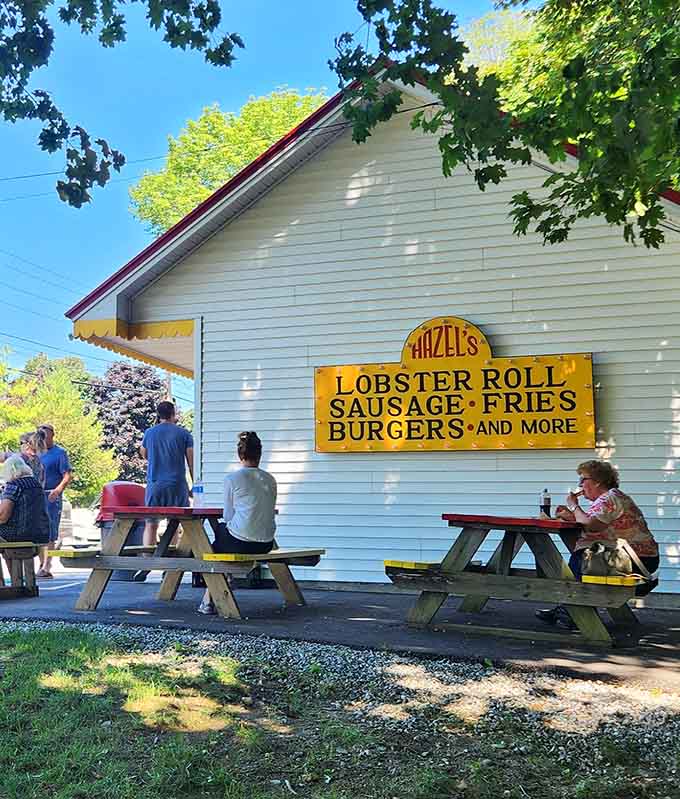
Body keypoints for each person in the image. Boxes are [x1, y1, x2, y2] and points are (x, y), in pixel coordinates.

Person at [537, 460, 659, 628]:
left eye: (583, 480)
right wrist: (572, 516)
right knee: (582, 558)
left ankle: (573, 614)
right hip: (633, 557)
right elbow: (595, 523)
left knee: (581, 560)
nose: (580, 484)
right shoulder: (607, 499)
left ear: (598, 481)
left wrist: (573, 507)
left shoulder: (611, 497)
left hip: (636, 561)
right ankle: (567, 609)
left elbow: (591, 525)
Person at [198, 431, 277, 615]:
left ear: (240, 455)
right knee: (222, 540)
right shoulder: (270, 479)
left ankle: (209, 598)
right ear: (260, 454)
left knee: (215, 545)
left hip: (242, 541)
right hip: (266, 543)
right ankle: (217, 588)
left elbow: (227, 515)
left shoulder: (233, 479)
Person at [137, 401, 194, 581]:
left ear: (158, 414)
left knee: (151, 524)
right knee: (174, 524)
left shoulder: (149, 433)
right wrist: (193, 485)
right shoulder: (184, 434)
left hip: (155, 483)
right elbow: (191, 461)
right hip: (177, 483)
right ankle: (168, 567)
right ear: (173, 413)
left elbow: (144, 454)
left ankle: (146, 563)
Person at [37, 423, 72, 579]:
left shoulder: (59, 453)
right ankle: (41, 563)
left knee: (50, 531)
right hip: (36, 496)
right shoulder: (35, 452)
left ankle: (47, 565)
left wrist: (58, 490)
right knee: (38, 531)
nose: (43, 437)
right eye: (41, 434)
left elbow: (67, 475)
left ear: (53, 435)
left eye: (46, 434)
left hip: (52, 496)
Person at [0, 455, 50, 548]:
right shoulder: (36, 484)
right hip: (41, 533)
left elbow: (3, 516)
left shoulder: (14, 485)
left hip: (19, 534)